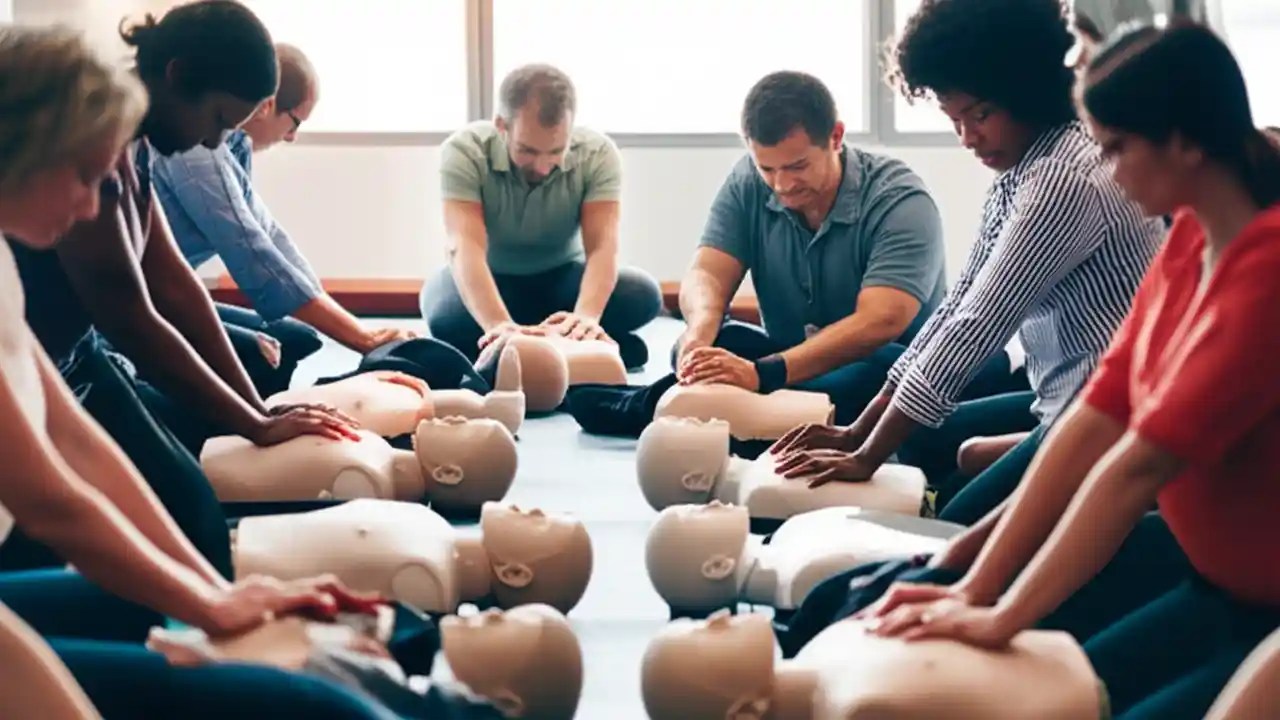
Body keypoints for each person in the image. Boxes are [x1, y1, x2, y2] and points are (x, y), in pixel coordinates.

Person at [863, 21, 1280, 720]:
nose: (1109, 170)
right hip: (1209, 576)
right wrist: (971, 584)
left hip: (1264, 603)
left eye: (1118, 148)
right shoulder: (1187, 242)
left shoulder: (1265, 270)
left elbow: (1133, 468)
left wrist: (1003, 611)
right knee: (1055, 691)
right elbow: (1093, 420)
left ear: (1184, 142)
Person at [0, 22, 401, 719]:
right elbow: (52, 497)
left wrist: (214, 598)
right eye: (85, 178)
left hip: (80, 370)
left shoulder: (7, 265)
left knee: (163, 573)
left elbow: (74, 436)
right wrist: (211, 604)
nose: (96, 207)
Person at [3, 0, 358, 577]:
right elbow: (134, 319)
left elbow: (175, 285)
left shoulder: (129, 148)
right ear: (177, 76)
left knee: (190, 512)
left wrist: (257, 408)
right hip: (61, 369)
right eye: (218, 119)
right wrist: (254, 424)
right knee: (135, 535)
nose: (217, 141)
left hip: (78, 360)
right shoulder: (85, 154)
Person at [772, 0, 1164, 519]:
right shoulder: (1026, 169)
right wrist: (859, 433)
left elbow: (977, 328)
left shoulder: (1062, 178)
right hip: (1064, 398)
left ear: (1026, 89)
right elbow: (958, 304)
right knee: (929, 443)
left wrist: (869, 454)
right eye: (954, 120)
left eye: (980, 115)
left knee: (957, 516)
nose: (967, 138)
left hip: (1109, 417)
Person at [569, 70, 993, 439]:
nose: (782, 185)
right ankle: (749, 415)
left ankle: (662, 407)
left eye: (797, 167)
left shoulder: (900, 199)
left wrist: (761, 374)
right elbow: (708, 274)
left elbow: (880, 321)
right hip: (786, 362)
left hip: (889, 368)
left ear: (836, 137)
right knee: (720, 342)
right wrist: (698, 333)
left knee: (873, 368)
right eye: (768, 169)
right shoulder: (746, 182)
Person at [153, 43, 416, 398]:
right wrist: (361, 338)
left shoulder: (235, 145)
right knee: (262, 353)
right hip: (133, 306)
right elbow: (252, 255)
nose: (292, 137)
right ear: (266, 106)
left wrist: (361, 330)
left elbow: (271, 236)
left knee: (297, 338)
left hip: (165, 297)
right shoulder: (195, 148)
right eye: (295, 123)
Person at [421, 63, 662, 369]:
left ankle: (555, 343)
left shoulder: (599, 154)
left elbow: (603, 247)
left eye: (554, 151)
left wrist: (585, 319)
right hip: (492, 278)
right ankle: (564, 348)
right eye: (528, 150)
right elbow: (463, 245)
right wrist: (498, 326)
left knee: (642, 294)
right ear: (501, 126)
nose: (542, 166)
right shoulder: (464, 151)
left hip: (562, 280)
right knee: (444, 316)